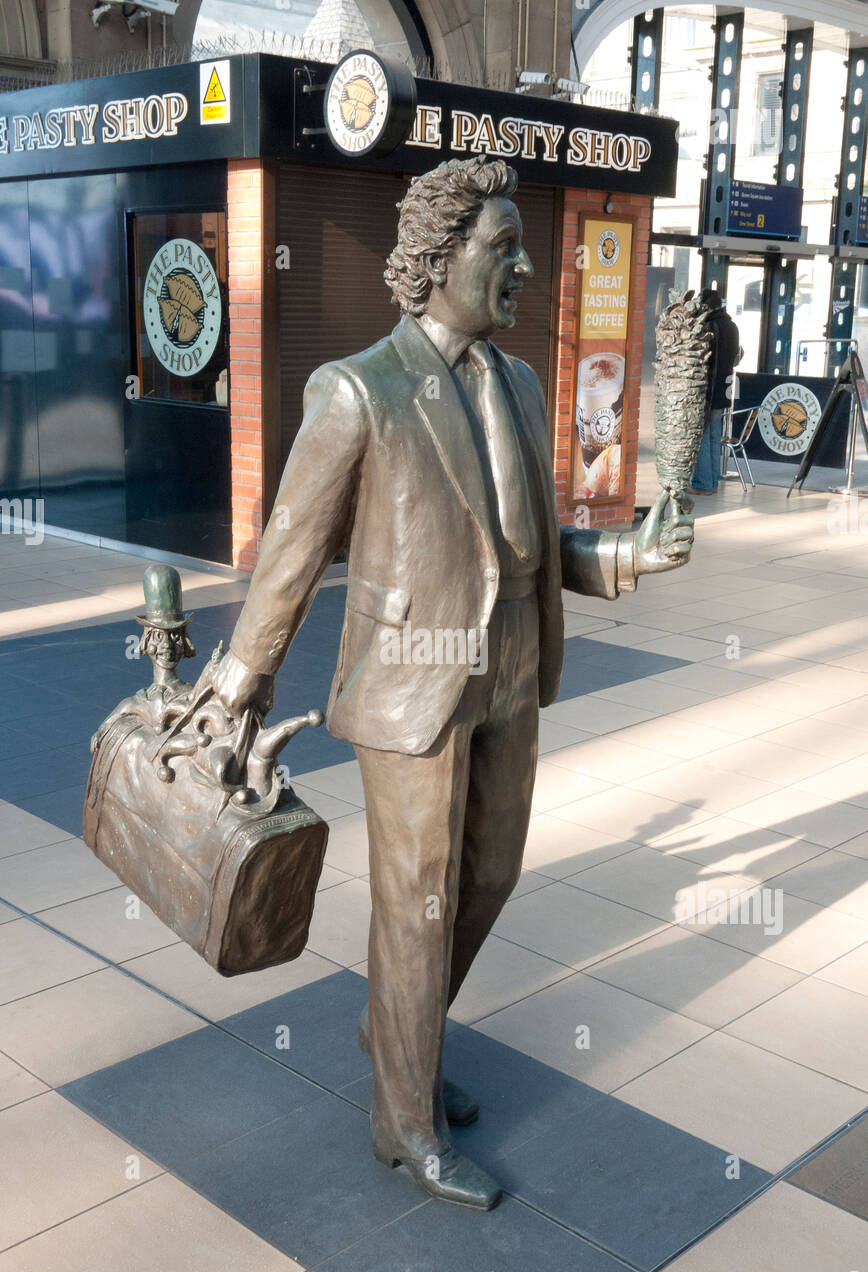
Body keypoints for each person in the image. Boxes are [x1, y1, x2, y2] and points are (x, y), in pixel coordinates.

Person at [212, 155, 694, 1211]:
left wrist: (623, 556)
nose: (521, 266)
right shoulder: (359, 388)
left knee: (487, 880)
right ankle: (406, 1120)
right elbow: (291, 547)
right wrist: (241, 677)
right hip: (414, 685)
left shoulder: (518, 382)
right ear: (437, 259)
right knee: (420, 904)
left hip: (512, 667)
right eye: (500, 248)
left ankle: (400, 1035)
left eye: (521, 246)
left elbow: (530, 539)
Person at [689, 287, 742, 494]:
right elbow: (735, 358)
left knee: (701, 436)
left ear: (706, 307)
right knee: (713, 437)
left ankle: (703, 483)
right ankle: (712, 482)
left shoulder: (709, 326)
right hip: (724, 390)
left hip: (708, 390)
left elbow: (705, 362)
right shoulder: (732, 326)